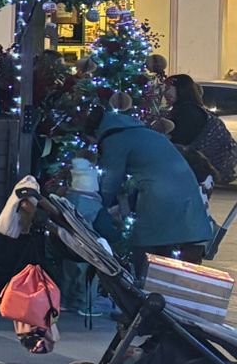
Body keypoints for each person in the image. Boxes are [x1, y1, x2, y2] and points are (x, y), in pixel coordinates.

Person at [88, 97, 216, 263]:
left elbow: (110, 181)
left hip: (160, 201)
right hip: (187, 203)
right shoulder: (142, 132)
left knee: (148, 255)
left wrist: (98, 206)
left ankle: (146, 282)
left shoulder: (115, 139)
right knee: (170, 257)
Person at [166, 74, 237, 187]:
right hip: (202, 171)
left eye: (168, 88)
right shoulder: (194, 109)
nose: (165, 93)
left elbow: (180, 142)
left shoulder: (187, 112)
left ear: (180, 89)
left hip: (194, 170)